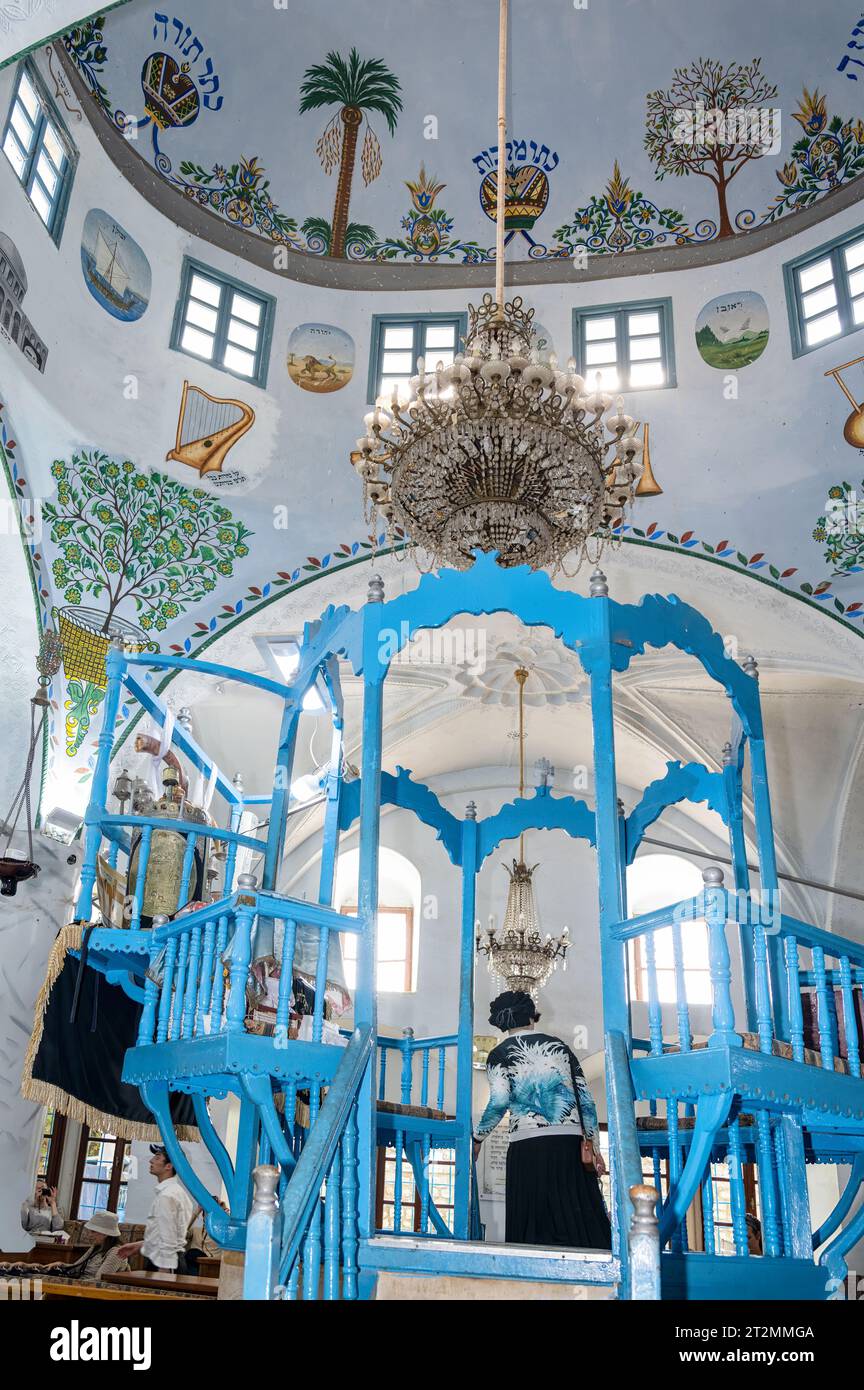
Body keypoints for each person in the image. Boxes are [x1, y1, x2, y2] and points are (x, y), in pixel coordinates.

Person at [473, 990, 612, 1249]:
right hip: (569, 1144)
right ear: (531, 1018)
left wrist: (478, 1137)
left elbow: (500, 1101)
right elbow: (585, 1099)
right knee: (579, 1223)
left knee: (532, 1228)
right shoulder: (560, 1047)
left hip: (528, 1146)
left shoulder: (499, 1053)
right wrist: (593, 1145)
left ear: (503, 1024)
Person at [117, 1145, 197, 1273]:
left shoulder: (168, 1195)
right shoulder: (174, 1192)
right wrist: (139, 1246)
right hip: (168, 1261)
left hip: (165, 1264)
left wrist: (163, 1273)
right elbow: (165, 1234)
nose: (151, 1160)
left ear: (169, 1166)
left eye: (157, 1157)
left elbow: (169, 1240)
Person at [0, 1209, 128, 1281]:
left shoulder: (116, 1252)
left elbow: (99, 1280)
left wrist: (66, 1282)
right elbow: (76, 1266)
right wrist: (60, 1265)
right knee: (24, 1268)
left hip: (83, 1285)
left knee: (34, 1274)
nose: (89, 1235)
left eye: (93, 1232)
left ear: (105, 1233)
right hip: (76, 1279)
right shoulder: (97, 1247)